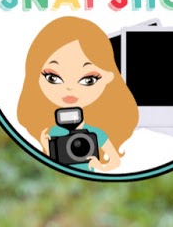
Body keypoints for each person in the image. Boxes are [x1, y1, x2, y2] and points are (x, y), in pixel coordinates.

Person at [16, 17, 138, 175]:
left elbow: (115, 161)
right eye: (53, 77)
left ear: (108, 76)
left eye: (89, 79)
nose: (69, 88)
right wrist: (47, 149)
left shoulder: (96, 134)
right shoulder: (53, 133)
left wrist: (100, 165)